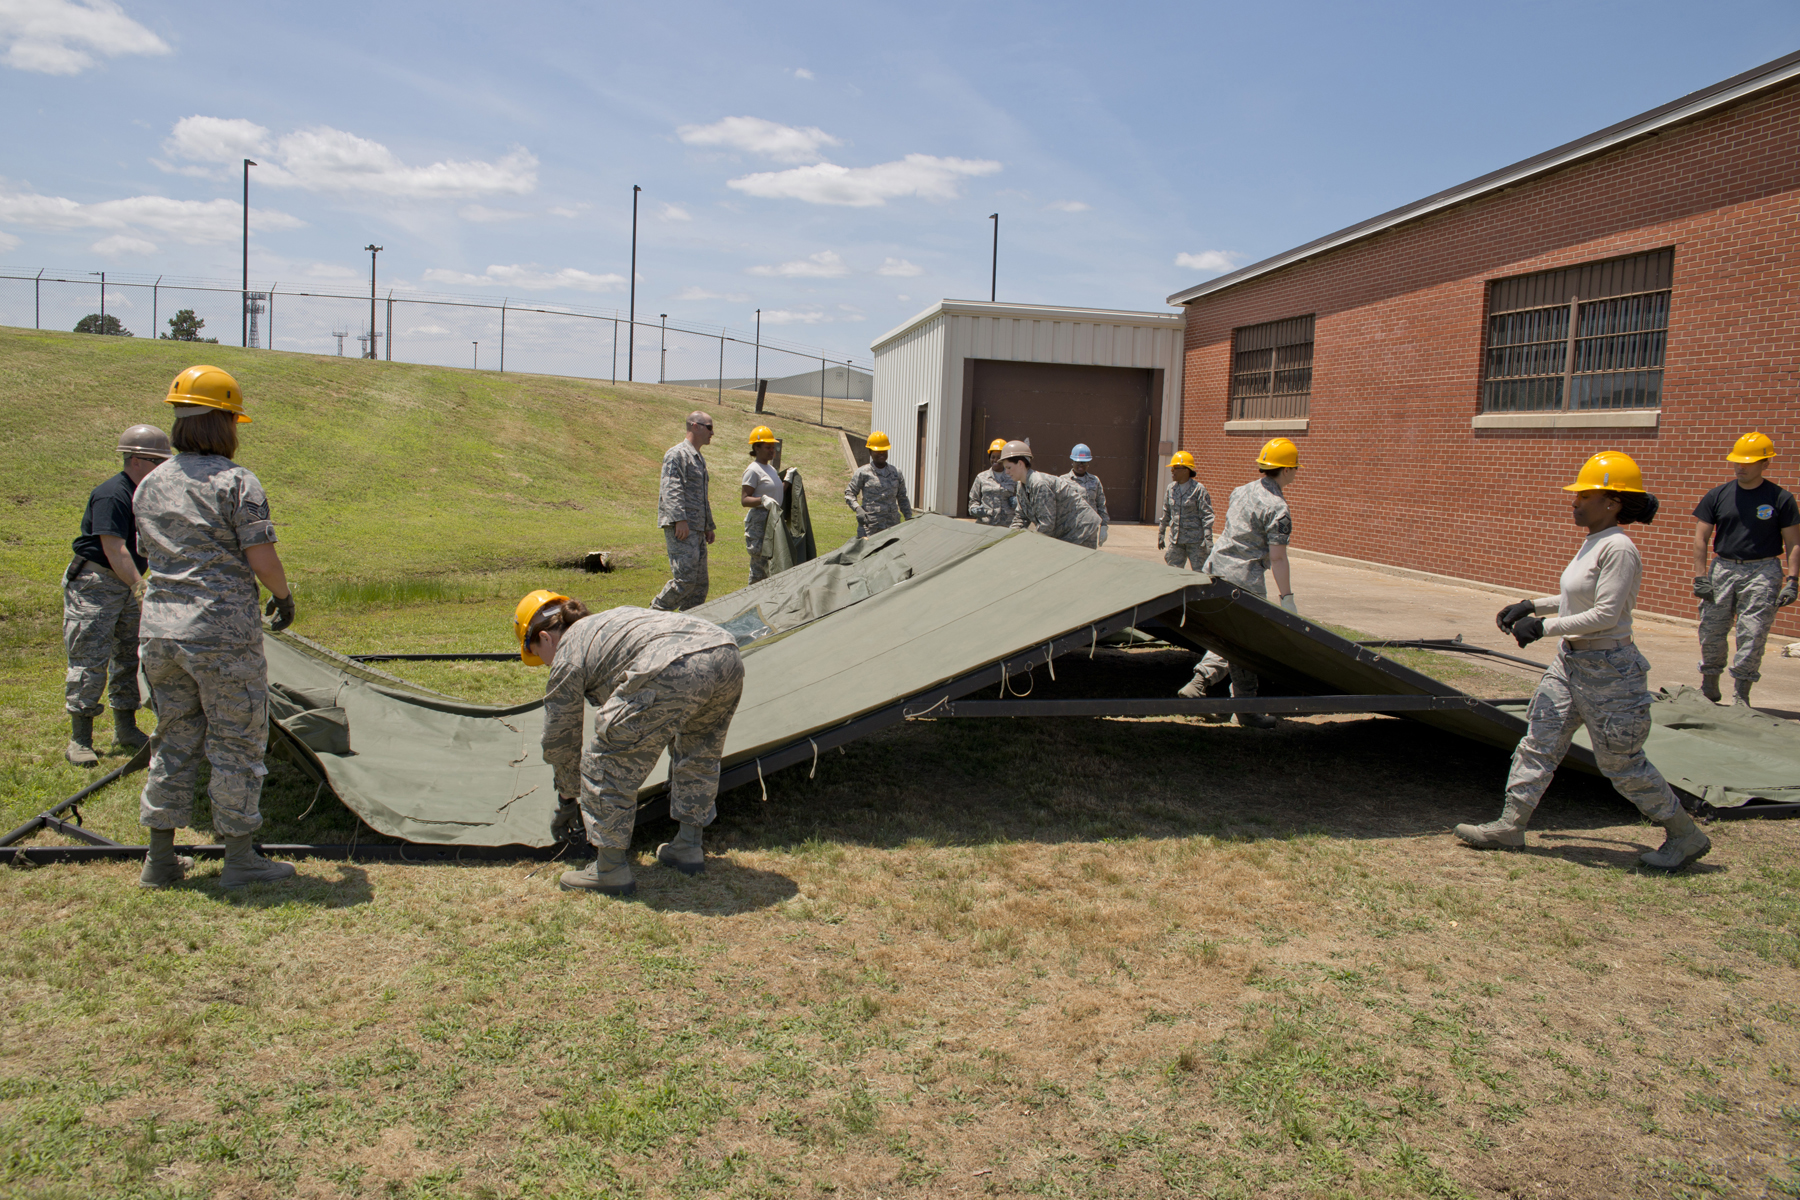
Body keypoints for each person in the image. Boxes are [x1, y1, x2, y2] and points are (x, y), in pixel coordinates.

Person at [1458, 451, 1710, 871]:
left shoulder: (1619, 548)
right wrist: (1531, 605)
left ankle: (1685, 834)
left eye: (1584, 496)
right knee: (1539, 743)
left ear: (1612, 502)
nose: (1573, 502)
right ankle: (1510, 826)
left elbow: (1606, 615)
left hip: (1609, 670)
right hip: (1570, 664)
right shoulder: (1594, 541)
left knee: (1620, 763)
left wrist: (1543, 626)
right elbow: (1578, 599)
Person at [134, 365, 297, 890]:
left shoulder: (150, 483)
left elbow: (146, 553)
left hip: (160, 630)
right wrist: (282, 596)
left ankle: (160, 859)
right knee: (236, 742)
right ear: (225, 423)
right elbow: (261, 556)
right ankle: (241, 858)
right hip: (220, 633)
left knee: (173, 738)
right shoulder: (237, 482)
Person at [518, 590, 745, 896]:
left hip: (674, 662)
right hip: (726, 654)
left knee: (605, 758)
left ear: (545, 638)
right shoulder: (611, 621)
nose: (546, 665)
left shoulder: (568, 650)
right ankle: (688, 846)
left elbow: (561, 737)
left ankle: (609, 869)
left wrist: (567, 797)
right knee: (699, 749)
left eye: (539, 656)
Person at [62, 424, 171, 767]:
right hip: (96, 584)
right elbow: (114, 548)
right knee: (89, 659)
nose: (163, 469)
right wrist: (139, 587)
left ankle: (125, 729)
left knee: (129, 657)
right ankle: (80, 739)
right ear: (136, 460)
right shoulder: (112, 494)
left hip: (128, 583)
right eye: (157, 462)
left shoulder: (147, 494)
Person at [1177, 438, 1299, 729]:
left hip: (1215, 569)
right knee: (1246, 642)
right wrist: (1287, 597)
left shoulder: (1240, 491)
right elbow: (1278, 558)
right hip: (1244, 578)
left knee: (1230, 636)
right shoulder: (1278, 508)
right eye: (1295, 468)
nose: (1296, 473)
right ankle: (1243, 707)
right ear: (1286, 470)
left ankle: (1200, 683)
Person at [1692, 431, 1800, 708]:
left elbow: (1793, 542)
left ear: (1765, 463)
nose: (1741, 467)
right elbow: (1701, 537)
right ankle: (1710, 684)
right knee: (1712, 629)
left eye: (1748, 462)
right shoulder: (1718, 495)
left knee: (1752, 633)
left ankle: (1742, 693)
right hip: (1723, 569)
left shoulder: (1781, 498)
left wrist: (1793, 580)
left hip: (1763, 571)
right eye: (1737, 461)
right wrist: (1700, 576)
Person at [652, 412, 715, 612]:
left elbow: (702, 496)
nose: (712, 432)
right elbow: (671, 488)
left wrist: (708, 526)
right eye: (709, 427)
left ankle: (687, 623)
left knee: (699, 585)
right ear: (695, 426)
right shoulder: (676, 454)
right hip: (682, 527)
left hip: (696, 528)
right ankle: (653, 615)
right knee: (685, 580)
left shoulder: (698, 458)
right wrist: (679, 519)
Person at [1002, 440, 1101, 548]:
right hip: (1066, 532)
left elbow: (1046, 525)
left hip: (1082, 529)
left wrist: (1033, 546)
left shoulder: (1040, 484)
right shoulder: (1021, 486)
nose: (1006, 472)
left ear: (1020, 464)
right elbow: (1021, 517)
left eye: (1009, 467)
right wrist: (1008, 538)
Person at [845, 432, 912, 536]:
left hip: (892, 527)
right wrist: (858, 509)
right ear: (870, 452)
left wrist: (909, 518)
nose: (881, 453)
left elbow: (902, 498)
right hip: (870, 528)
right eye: (878, 451)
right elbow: (849, 493)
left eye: (884, 451)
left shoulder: (896, 473)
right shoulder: (863, 472)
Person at [1156, 450, 1213, 572]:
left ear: (1186, 470)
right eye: (1172, 468)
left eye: (1176, 468)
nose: (1172, 471)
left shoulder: (1198, 490)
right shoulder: (1171, 489)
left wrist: (1208, 539)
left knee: (1200, 574)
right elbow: (1166, 512)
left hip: (1195, 542)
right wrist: (1161, 532)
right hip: (1176, 541)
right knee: (1173, 574)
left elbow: (1207, 516)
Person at [741, 425, 784, 583]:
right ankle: (752, 596)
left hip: (772, 521)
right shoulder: (753, 470)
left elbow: (776, 493)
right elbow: (745, 499)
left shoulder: (770, 468)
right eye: (768, 447)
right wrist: (762, 500)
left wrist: (787, 481)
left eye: (773, 447)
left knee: (771, 567)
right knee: (759, 568)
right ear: (757, 448)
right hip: (759, 523)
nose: (772, 450)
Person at [1060, 444, 1109, 545]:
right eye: (1077, 462)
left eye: (1084, 462)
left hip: (1090, 533)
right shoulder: (1062, 481)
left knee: (1089, 555)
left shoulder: (1095, 481)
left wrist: (1104, 526)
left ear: (1089, 463)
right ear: (1072, 462)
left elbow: (1101, 504)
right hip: (1070, 532)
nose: (1081, 465)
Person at [968, 437, 1016, 527]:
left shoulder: (1013, 477)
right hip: (985, 525)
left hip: (1007, 526)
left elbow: (1023, 500)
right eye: (993, 457)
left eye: (999, 457)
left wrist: (1018, 501)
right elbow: (973, 500)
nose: (995, 460)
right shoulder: (981, 477)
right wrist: (975, 510)